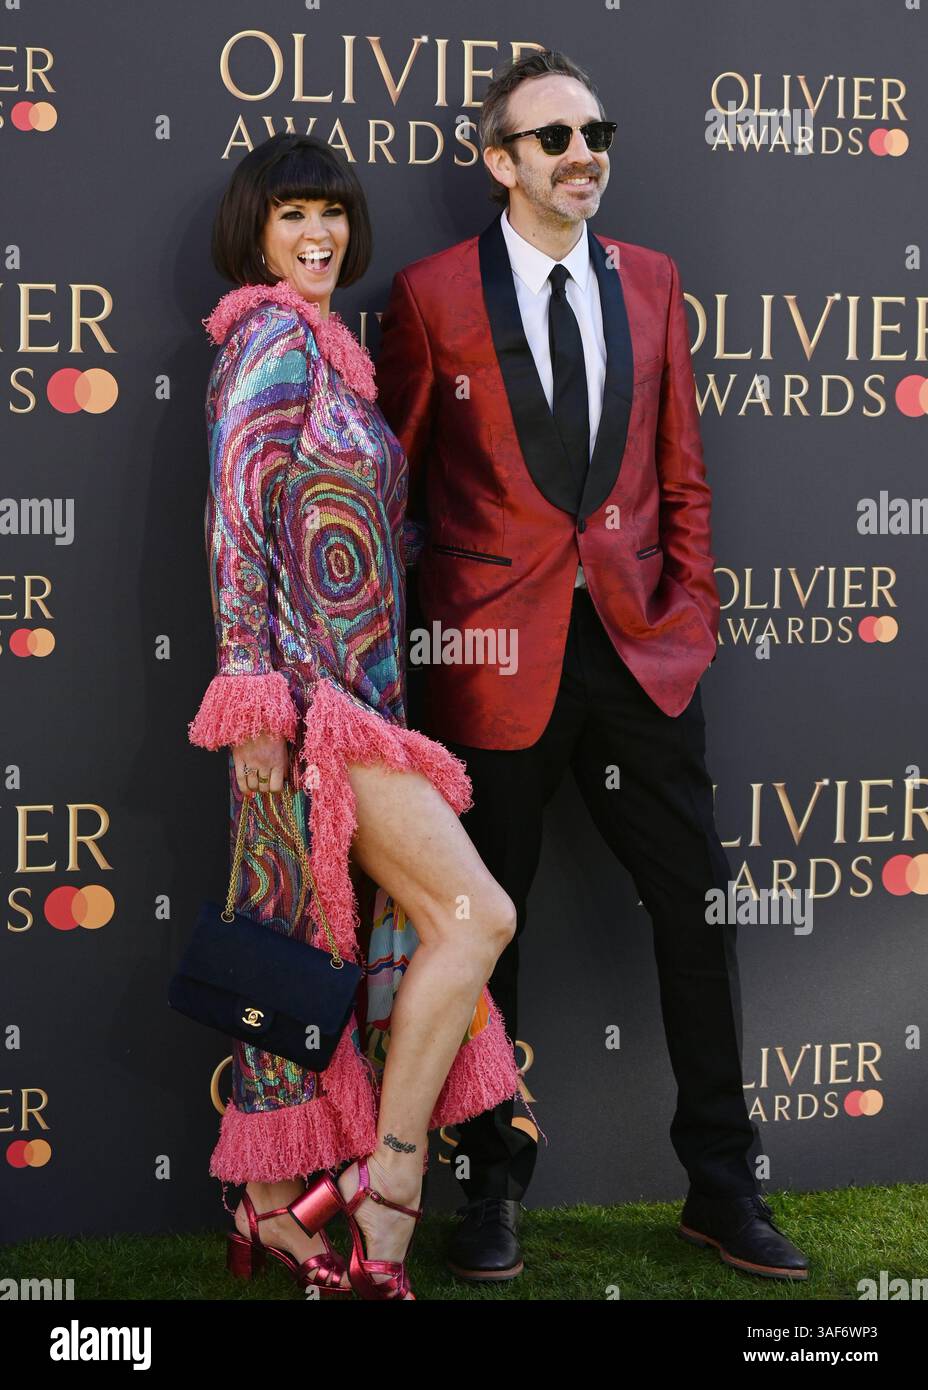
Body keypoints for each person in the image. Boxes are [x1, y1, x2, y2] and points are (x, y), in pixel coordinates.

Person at [375, 50, 809, 1283]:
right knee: (482, 937)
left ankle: (722, 1186)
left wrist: (693, 614)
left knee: (696, 917)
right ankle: (489, 1190)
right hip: (489, 663)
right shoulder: (429, 295)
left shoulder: (655, 283)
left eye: (593, 131)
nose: (582, 154)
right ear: (498, 160)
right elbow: (395, 489)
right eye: (551, 136)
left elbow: (683, 472)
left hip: (640, 657)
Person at [186, 133, 521, 1301]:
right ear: (256, 232)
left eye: (331, 212)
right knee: (472, 913)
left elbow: (350, 531)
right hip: (313, 709)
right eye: (292, 216)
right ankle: (387, 1196)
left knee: (308, 947)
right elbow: (237, 528)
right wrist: (253, 700)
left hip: (357, 699)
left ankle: (271, 1210)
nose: (318, 234)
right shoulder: (273, 340)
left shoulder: (340, 358)